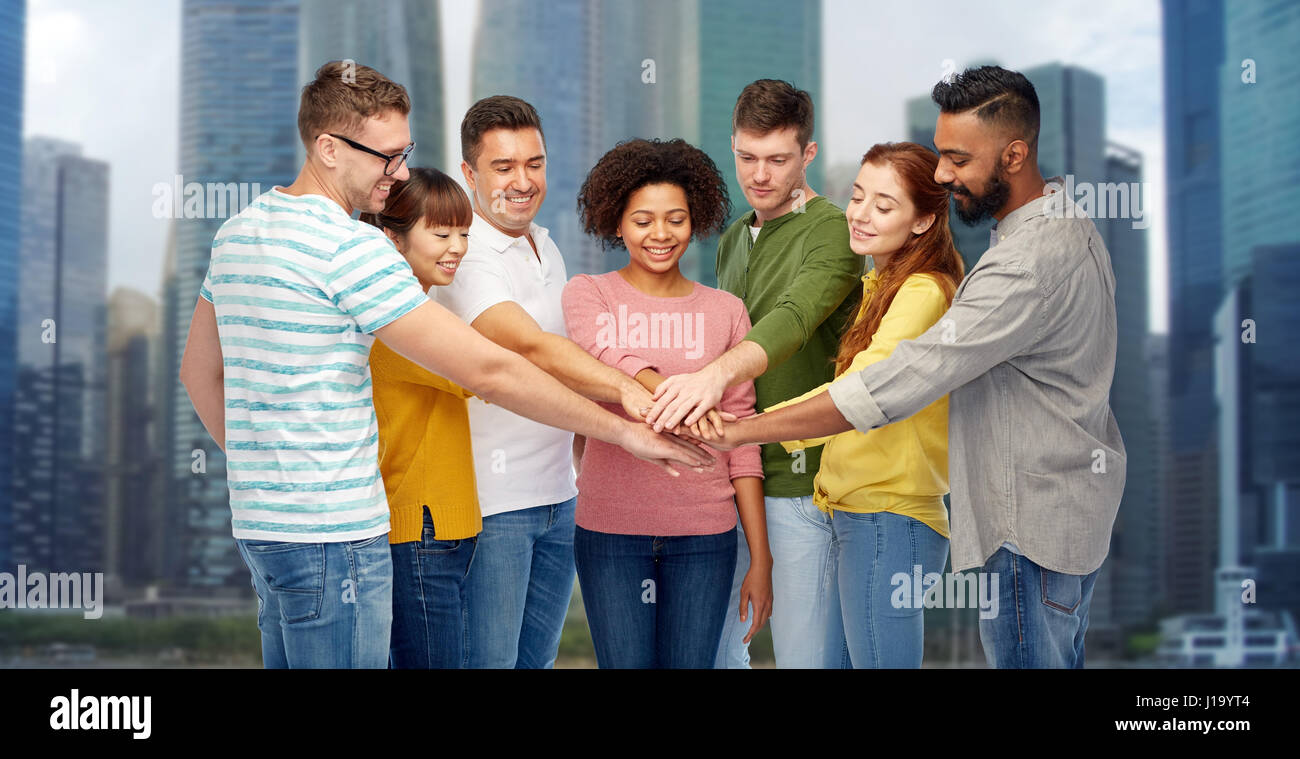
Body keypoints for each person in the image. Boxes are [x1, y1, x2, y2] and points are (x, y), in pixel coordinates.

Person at [179, 62, 712, 669]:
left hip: (263, 528)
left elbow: (199, 375)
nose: (400, 171)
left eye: (403, 152)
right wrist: (623, 427)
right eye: (386, 156)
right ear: (327, 148)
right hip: (338, 534)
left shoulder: (236, 233)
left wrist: (273, 476)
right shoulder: (352, 248)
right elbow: (491, 369)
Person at [700, 66, 1126, 669]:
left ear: (1013, 154)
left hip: (1018, 524)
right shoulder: (1051, 230)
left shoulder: (1017, 266)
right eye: (858, 197)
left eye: (957, 158)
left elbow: (885, 387)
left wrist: (737, 428)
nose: (944, 172)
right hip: (1038, 514)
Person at [432, 95, 685, 669]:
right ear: (469, 174)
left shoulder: (544, 245)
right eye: (503, 167)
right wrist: (629, 391)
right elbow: (530, 347)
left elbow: (574, 358)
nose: (523, 181)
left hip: (559, 500)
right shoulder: (465, 252)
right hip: (492, 508)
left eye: (535, 163)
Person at [644, 80, 864, 668]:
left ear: (807, 155)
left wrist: (710, 377)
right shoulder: (736, 235)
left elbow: (792, 320)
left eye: (777, 159)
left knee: (803, 658)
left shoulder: (836, 232)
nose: (759, 175)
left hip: (802, 482)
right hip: (731, 480)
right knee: (720, 655)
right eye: (746, 157)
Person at [562, 138, 772, 668]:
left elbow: (743, 438)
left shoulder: (726, 311)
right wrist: (681, 395)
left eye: (675, 219)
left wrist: (761, 555)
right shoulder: (589, 293)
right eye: (643, 220)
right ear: (615, 223)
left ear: (695, 219)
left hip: (706, 534)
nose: (661, 234)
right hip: (610, 532)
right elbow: (603, 355)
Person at [767, 142, 963, 667]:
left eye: (884, 205)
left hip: (889, 519)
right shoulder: (880, 287)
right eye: (857, 196)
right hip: (860, 518)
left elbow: (860, 391)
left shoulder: (922, 293)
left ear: (923, 221)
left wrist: (749, 427)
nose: (860, 214)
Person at [358, 167, 479, 668]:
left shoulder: (422, 313)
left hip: (443, 528)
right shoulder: (400, 327)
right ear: (393, 237)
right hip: (419, 533)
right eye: (441, 232)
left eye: (464, 233)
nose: (457, 247)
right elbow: (489, 375)